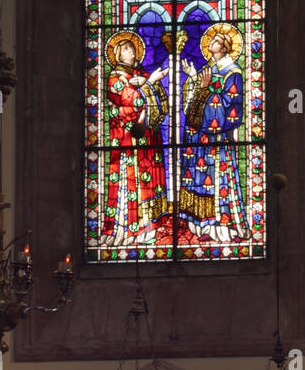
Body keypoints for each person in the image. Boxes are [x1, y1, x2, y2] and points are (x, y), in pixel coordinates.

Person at [180, 23, 248, 244]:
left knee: (216, 182)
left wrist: (207, 91)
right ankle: (199, 226)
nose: (212, 42)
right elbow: (190, 104)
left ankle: (222, 228)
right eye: (212, 40)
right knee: (198, 182)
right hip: (198, 140)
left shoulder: (233, 72)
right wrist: (192, 78)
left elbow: (231, 107)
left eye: (217, 40)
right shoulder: (207, 69)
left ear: (226, 47)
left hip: (216, 139)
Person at [102, 31, 169, 245]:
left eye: (131, 48)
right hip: (127, 140)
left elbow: (160, 104)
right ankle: (129, 229)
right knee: (132, 183)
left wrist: (152, 83)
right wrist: (150, 81)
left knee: (149, 183)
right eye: (124, 49)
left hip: (147, 138)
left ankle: (149, 225)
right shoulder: (115, 77)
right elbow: (129, 99)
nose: (129, 51)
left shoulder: (140, 74)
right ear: (119, 56)